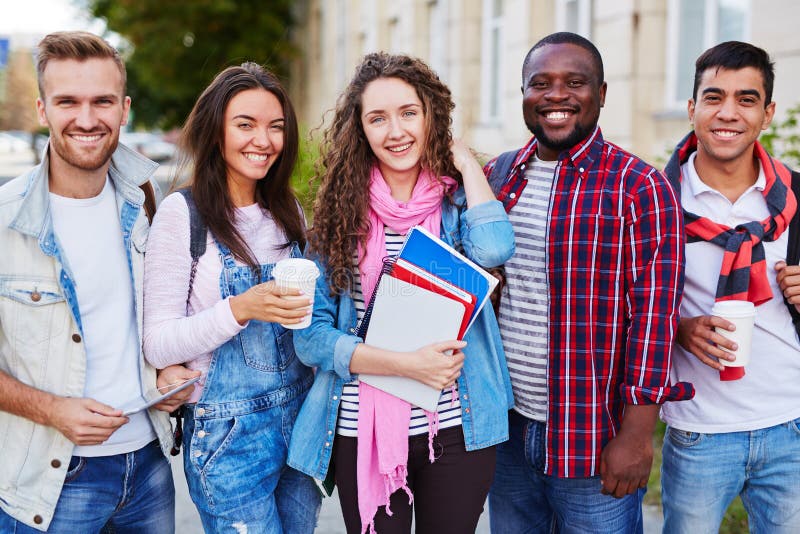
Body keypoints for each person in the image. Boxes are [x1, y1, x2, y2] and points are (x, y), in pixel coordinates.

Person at [287, 52, 515, 534]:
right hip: (363, 432)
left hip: (457, 426)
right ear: (360, 129)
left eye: (409, 113)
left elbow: (495, 248)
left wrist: (464, 162)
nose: (396, 131)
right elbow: (310, 339)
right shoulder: (339, 216)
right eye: (378, 118)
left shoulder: (458, 204)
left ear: (431, 116)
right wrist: (405, 365)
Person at [484, 32, 693, 533]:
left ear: (600, 94)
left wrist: (637, 435)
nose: (556, 95)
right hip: (504, 429)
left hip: (593, 435)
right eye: (540, 84)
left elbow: (655, 316)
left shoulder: (639, 186)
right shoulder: (498, 177)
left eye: (574, 83)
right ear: (524, 94)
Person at [0, 31, 181, 532]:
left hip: (148, 469)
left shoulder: (145, 203)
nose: (86, 119)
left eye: (101, 101)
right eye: (68, 102)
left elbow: (155, 318)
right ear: (42, 110)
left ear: (124, 109)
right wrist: (53, 410)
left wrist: (168, 370)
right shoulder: (5, 219)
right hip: (49, 483)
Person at [142, 62, 320, 533]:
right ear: (215, 131)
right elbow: (157, 343)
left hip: (302, 419)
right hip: (229, 436)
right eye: (245, 124)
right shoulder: (183, 215)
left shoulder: (287, 209)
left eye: (275, 126)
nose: (263, 140)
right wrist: (241, 308)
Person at [660, 41, 800, 533]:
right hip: (699, 430)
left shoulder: (797, 195)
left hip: (791, 423)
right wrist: (678, 329)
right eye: (714, 97)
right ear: (692, 107)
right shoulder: (657, 201)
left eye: (746, 99)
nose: (728, 113)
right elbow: (626, 299)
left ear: (767, 114)